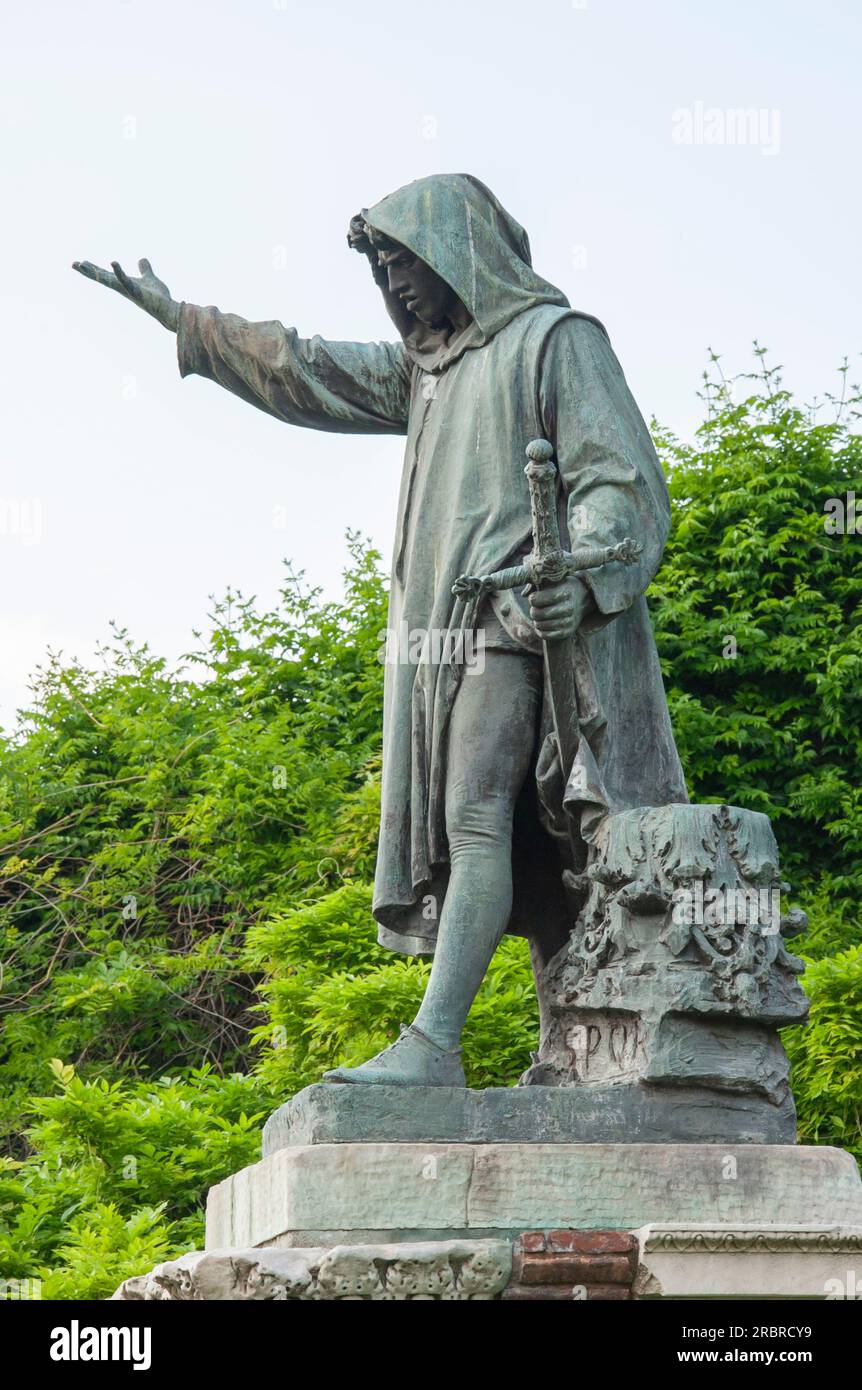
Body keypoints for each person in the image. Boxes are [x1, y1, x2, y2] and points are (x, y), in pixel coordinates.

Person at [74, 173, 686, 1087]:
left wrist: (587, 577)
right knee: (535, 840)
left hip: (512, 618)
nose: (396, 284)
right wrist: (188, 321)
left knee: (479, 820)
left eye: (406, 260)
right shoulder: (427, 372)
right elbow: (305, 366)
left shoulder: (556, 342)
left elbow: (622, 483)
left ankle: (435, 1046)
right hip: (442, 641)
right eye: (384, 268)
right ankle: (575, 1048)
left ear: (460, 248)